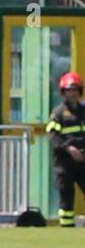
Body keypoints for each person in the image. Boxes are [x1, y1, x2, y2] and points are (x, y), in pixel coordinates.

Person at [46, 70, 85, 227]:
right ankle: (67, 230)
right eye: (69, 90)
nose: (73, 93)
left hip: (83, 160)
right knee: (66, 197)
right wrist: (69, 149)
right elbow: (53, 136)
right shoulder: (58, 113)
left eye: (75, 89)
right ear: (63, 92)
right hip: (65, 163)